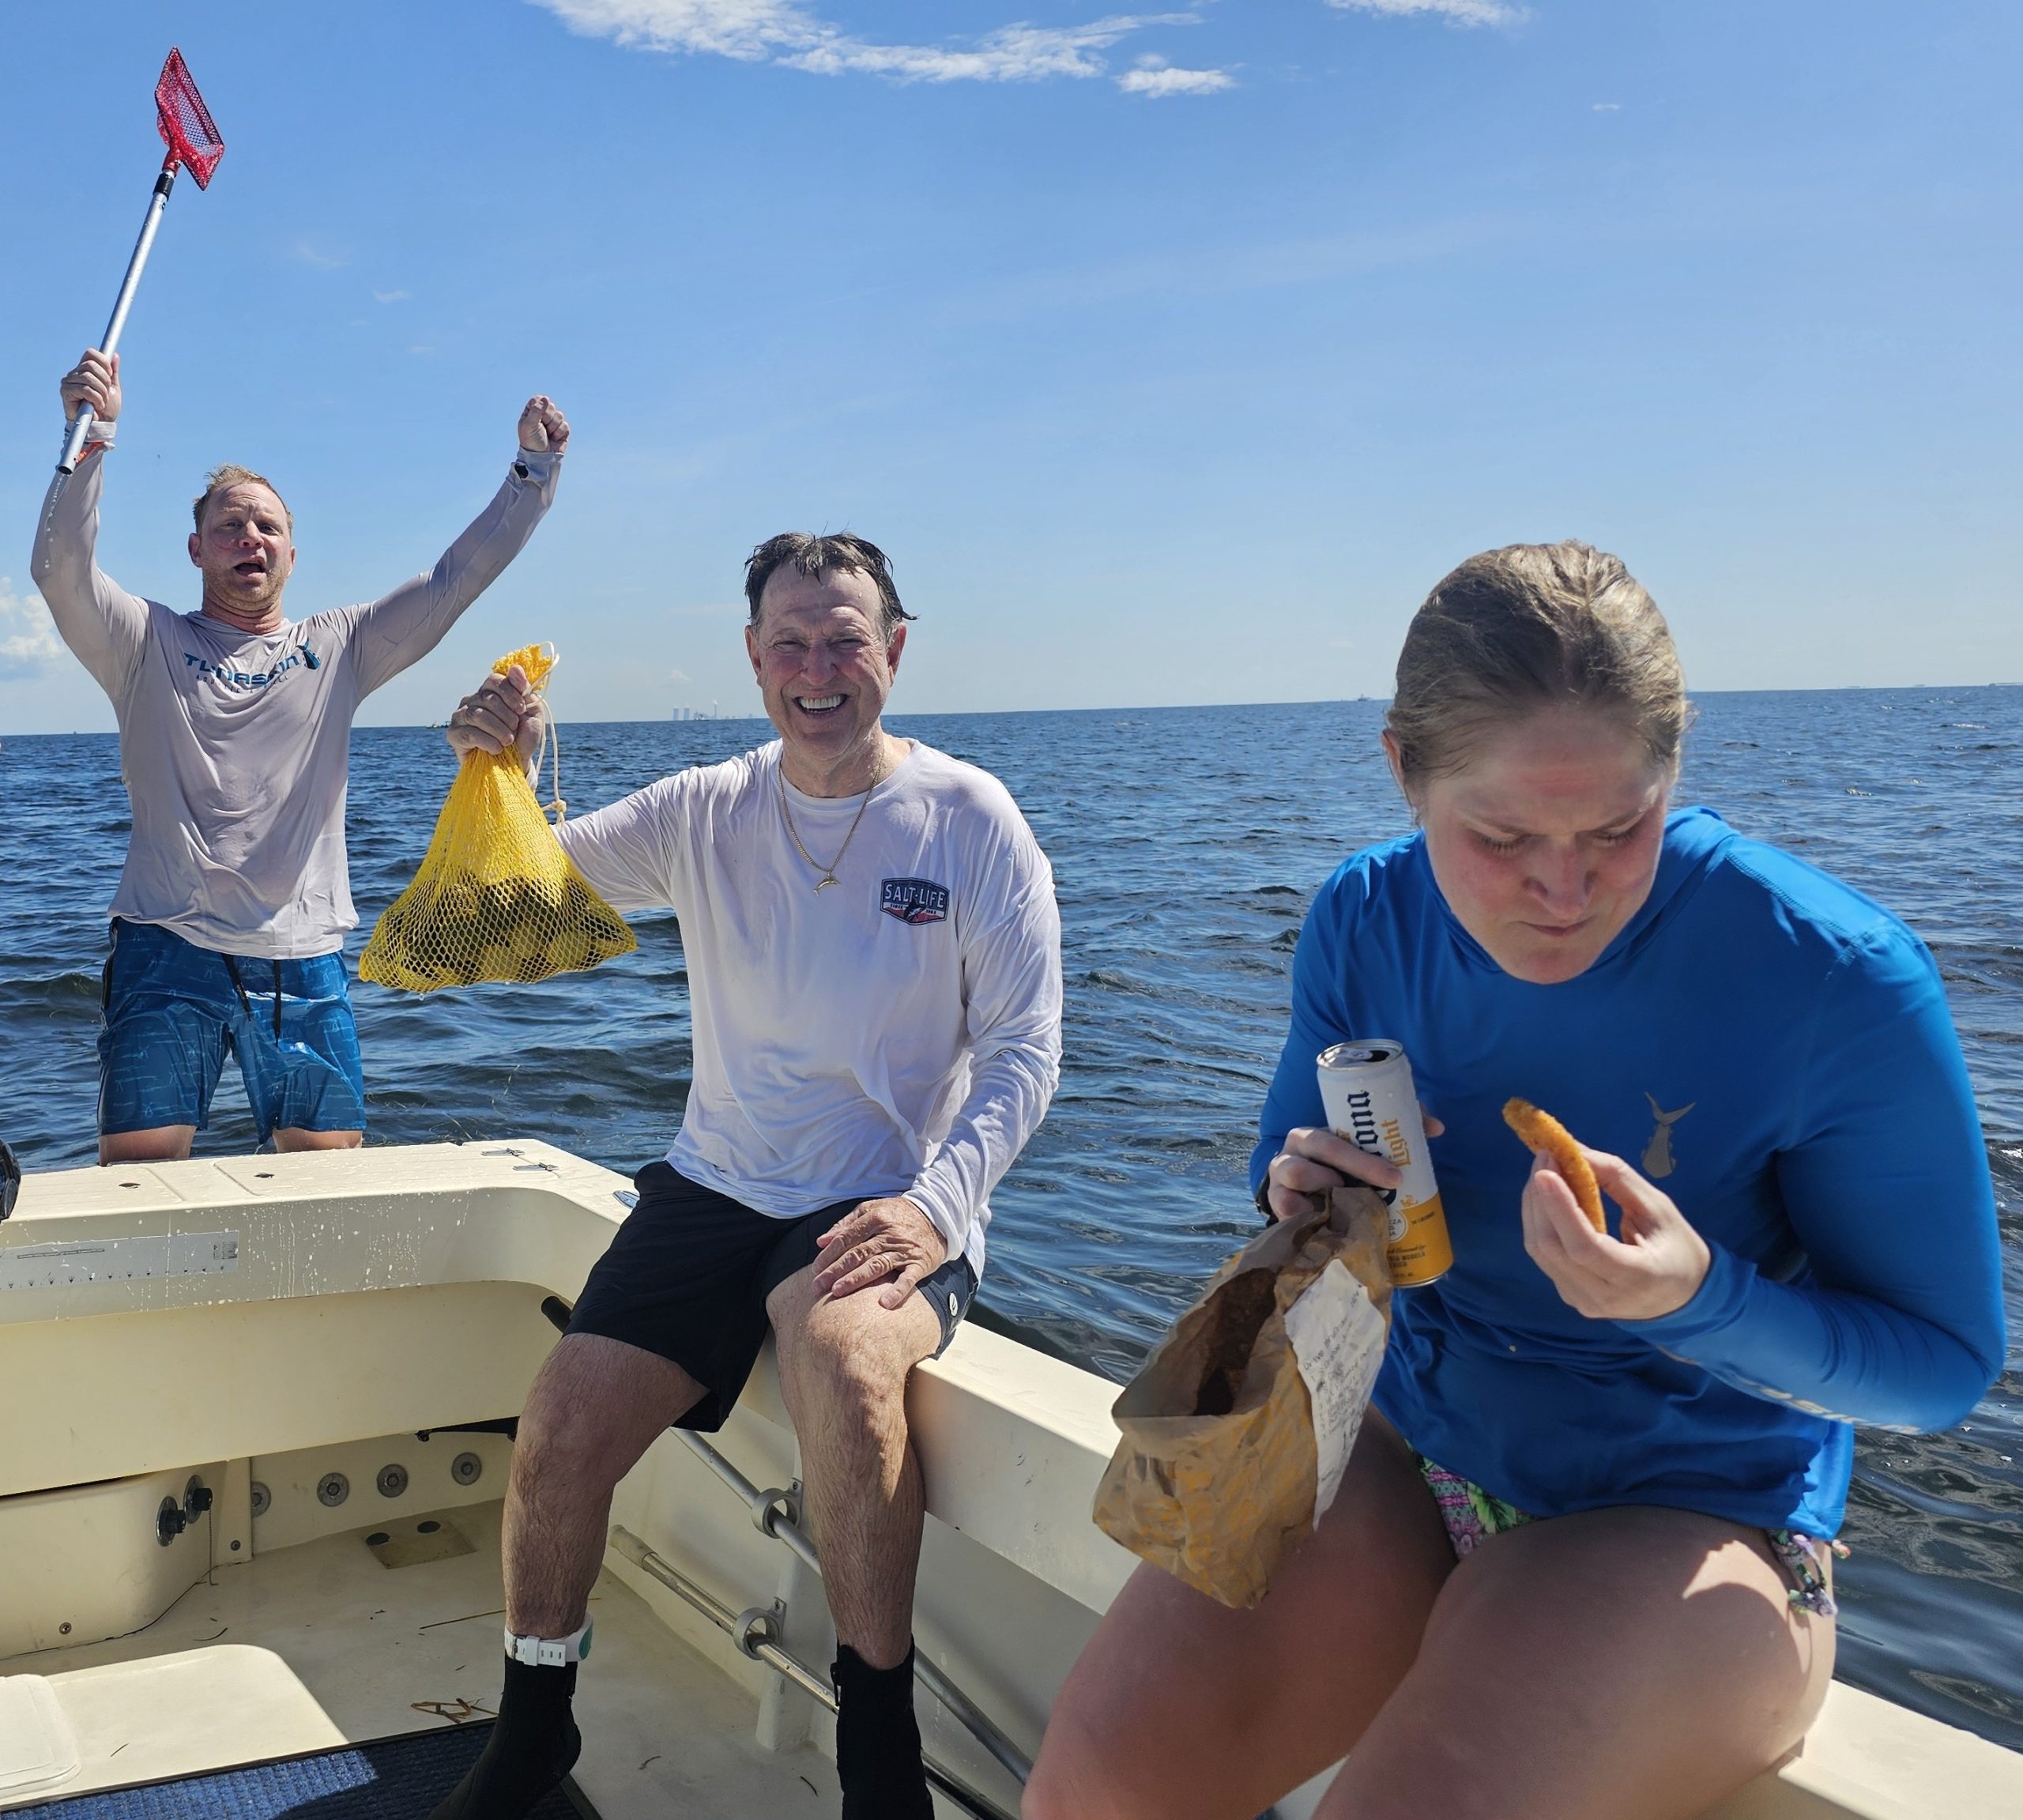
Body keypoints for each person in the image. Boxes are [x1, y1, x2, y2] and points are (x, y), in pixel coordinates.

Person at [1027, 541, 2006, 1820]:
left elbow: (1941, 1368)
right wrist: (1312, 1192)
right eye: (1498, 836)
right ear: (1401, 769)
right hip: (1404, 1436)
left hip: (1697, 1509)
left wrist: (1700, 1296)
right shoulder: (1363, 916)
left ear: (1676, 767)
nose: (1562, 888)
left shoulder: (1838, 977)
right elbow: (1284, 1172)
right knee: (1093, 1787)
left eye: (1620, 827)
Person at [426, 532, 1061, 1820]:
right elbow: (513, 911)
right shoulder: (705, 808)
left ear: (895, 647)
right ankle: (536, 1721)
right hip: (712, 1184)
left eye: (844, 638)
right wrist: (502, 772)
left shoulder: (970, 817)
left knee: (840, 1358)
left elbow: (1027, 1048)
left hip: (886, 1194)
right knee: (555, 1425)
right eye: (791, 643)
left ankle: (878, 1741)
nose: (817, 668)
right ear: (753, 658)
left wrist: (939, 1207)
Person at [29, 348, 568, 1164]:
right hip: (163, 944)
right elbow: (59, 568)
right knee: (136, 1177)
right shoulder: (143, 642)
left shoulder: (342, 645)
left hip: (304, 953)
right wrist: (91, 434)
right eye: (229, 526)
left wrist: (533, 471)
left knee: (326, 1172)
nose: (249, 536)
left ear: (291, 552)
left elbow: (457, 578)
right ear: (197, 550)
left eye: (267, 525)